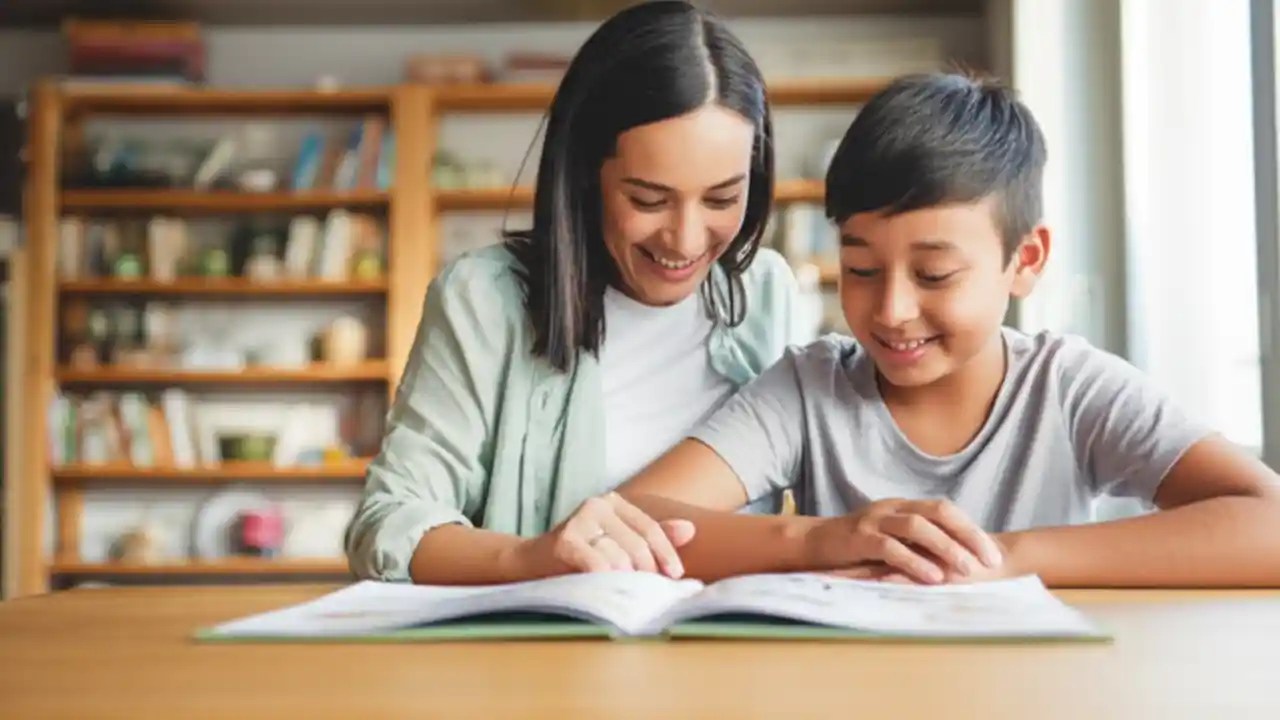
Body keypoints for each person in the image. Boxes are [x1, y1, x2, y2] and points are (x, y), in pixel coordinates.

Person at [617, 71, 1280, 587]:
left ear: (1025, 261)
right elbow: (631, 515)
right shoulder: (809, 387)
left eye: (934, 276)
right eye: (861, 267)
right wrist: (823, 538)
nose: (892, 310)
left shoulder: (1070, 388)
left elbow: (1268, 521)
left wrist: (1006, 556)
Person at [344, 1, 803, 585]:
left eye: (721, 199)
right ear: (587, 174)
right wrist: (531, 558)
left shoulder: (766, 292)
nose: (686, 239)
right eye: (648, 199)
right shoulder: (484, 300)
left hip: (723, 653)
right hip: (545, 662)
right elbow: (386, 523)